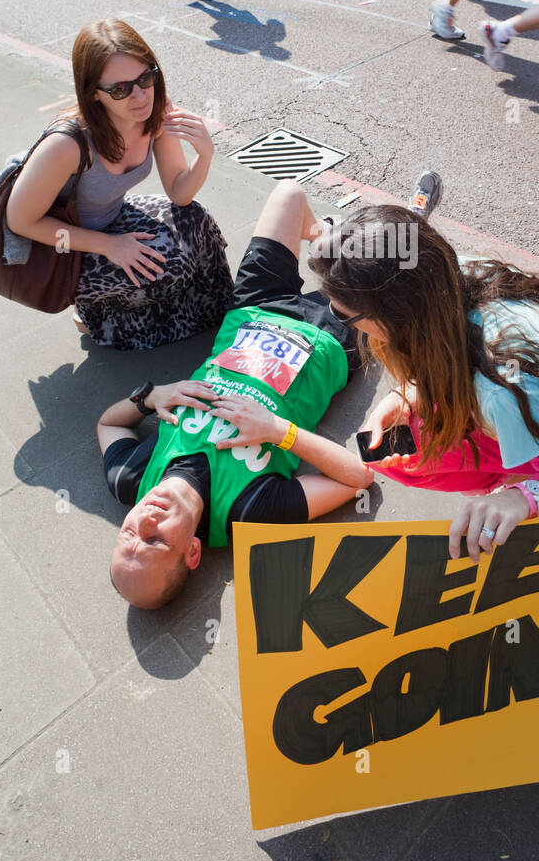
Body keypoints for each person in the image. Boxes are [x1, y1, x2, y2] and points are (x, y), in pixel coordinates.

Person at [308, 198, 539, 563]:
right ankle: (515, 475)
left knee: (418, 461)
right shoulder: (451, 276)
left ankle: (519, 484)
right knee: (416, 446)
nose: (339, 320)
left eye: (343, 314)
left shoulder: (504, 387)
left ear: (396, 315)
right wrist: (406, 396)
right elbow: (449, 353)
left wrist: (525, 499)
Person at [98, 179, 374, 610]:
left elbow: (108, 423)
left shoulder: (131, 479)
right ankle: (385, 238)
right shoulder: (250, 512)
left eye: (129, 532)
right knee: (394, 248)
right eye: (155, 540)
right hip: (330, 337)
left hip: (254, 308)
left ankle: (327, 239)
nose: (145, 518)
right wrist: (277, 429)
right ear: (192, 552)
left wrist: (149, 397)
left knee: (289, 196)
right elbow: (357, 478)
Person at [6, 18, 234, 351]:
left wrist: (205, 155)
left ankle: (215, 314)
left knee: (197, 221)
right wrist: (109, 245)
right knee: (164, 265)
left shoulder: (154, 112)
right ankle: (95, 313)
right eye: (120, 89)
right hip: (66, 247)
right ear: (93, 94)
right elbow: (20, 221)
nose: (140, 95)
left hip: (114, 217)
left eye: (145, 77)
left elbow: (179, 193)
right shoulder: (67, 144)